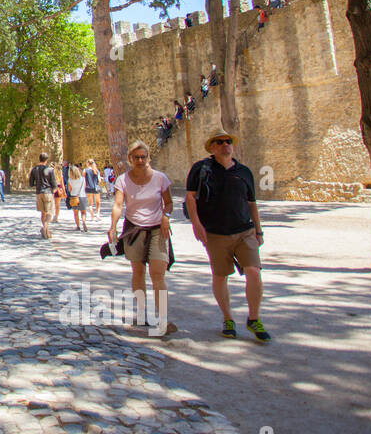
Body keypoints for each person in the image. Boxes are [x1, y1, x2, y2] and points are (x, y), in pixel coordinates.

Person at [186, 130, 270, 341]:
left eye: (228, 141)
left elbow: (252, 204)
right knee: (220, 275)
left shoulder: (244, 172)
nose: (225, 145)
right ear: (212, 147)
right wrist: (196, 224)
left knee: (253, 271)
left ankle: (253, 318)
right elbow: (190, 198)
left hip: (244, 230)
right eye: (220, 142)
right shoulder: (201, 169)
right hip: (215, 233)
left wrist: (258, 230)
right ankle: (227, 318)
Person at [108, 140, 177, 336]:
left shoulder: (160, 178)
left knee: (158, 274)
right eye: (136, 157)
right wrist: (113, 226)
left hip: (157, 229)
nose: (140, 160)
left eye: (143, 157)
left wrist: (166, 217)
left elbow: (169, 203)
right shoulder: (123, 180)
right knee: (137, 271)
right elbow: (118, 205)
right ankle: (140, 313)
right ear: (130, 159)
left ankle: (162, 319)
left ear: (148, 158)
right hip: (134, 229)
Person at [31, 152, 58, 240]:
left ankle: (47, 232)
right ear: (46, 160)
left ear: (39, 159)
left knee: (43, 213)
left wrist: (38, 185)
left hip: (39, 192)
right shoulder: (50, 170)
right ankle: (45, 228)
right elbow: (54, 184)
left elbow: (31, 183)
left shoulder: (34, 169)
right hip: (48, 192)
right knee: (49, 213)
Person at [66, 164, 86, 232]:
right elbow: (84, 187)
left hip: (74, 197)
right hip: (82, 196)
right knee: (83, 212)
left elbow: (69, 189)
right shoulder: (83, 179)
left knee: (76, 213)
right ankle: (83, 222)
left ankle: (78, 226)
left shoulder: (70, 180)